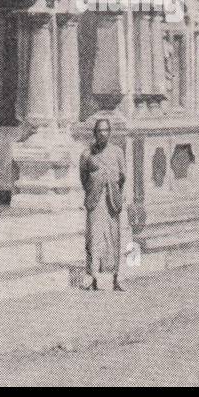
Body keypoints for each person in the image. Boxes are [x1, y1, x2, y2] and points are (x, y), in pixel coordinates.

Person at [80, 116, 126, 290]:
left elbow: (123, 176)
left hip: (112, 199)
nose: (103, 134)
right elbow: (83, 177)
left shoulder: (117, 152)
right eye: (99, 131)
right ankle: (91, 276)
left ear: (110, 132)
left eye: (106, 130)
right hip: (95, 199)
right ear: (95, 133)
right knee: (94, 236)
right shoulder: (87, 154)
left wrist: (115, 191)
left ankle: (115, 277)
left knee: (113, 237)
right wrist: (94, 187)